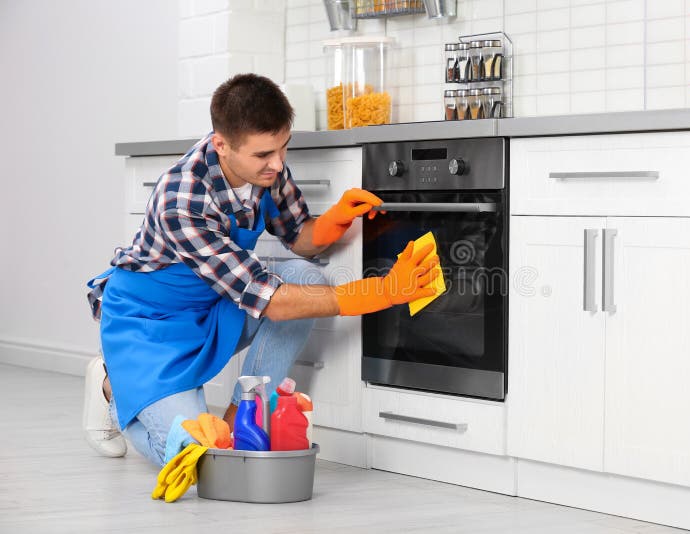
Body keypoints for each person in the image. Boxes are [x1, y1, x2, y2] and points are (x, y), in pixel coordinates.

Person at [82, 73, 440, 466]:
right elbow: (273, 302)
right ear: (221, 144)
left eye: (283, 147)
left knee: (304, 277)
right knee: (196, 460)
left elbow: (298, 237)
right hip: (151, 329)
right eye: (264, 155)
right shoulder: (182, 199)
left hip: (212, 307)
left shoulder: (265, 168)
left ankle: (242, 415)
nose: (278, 163)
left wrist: (335, 219)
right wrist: (383, 292)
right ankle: (112, 383)